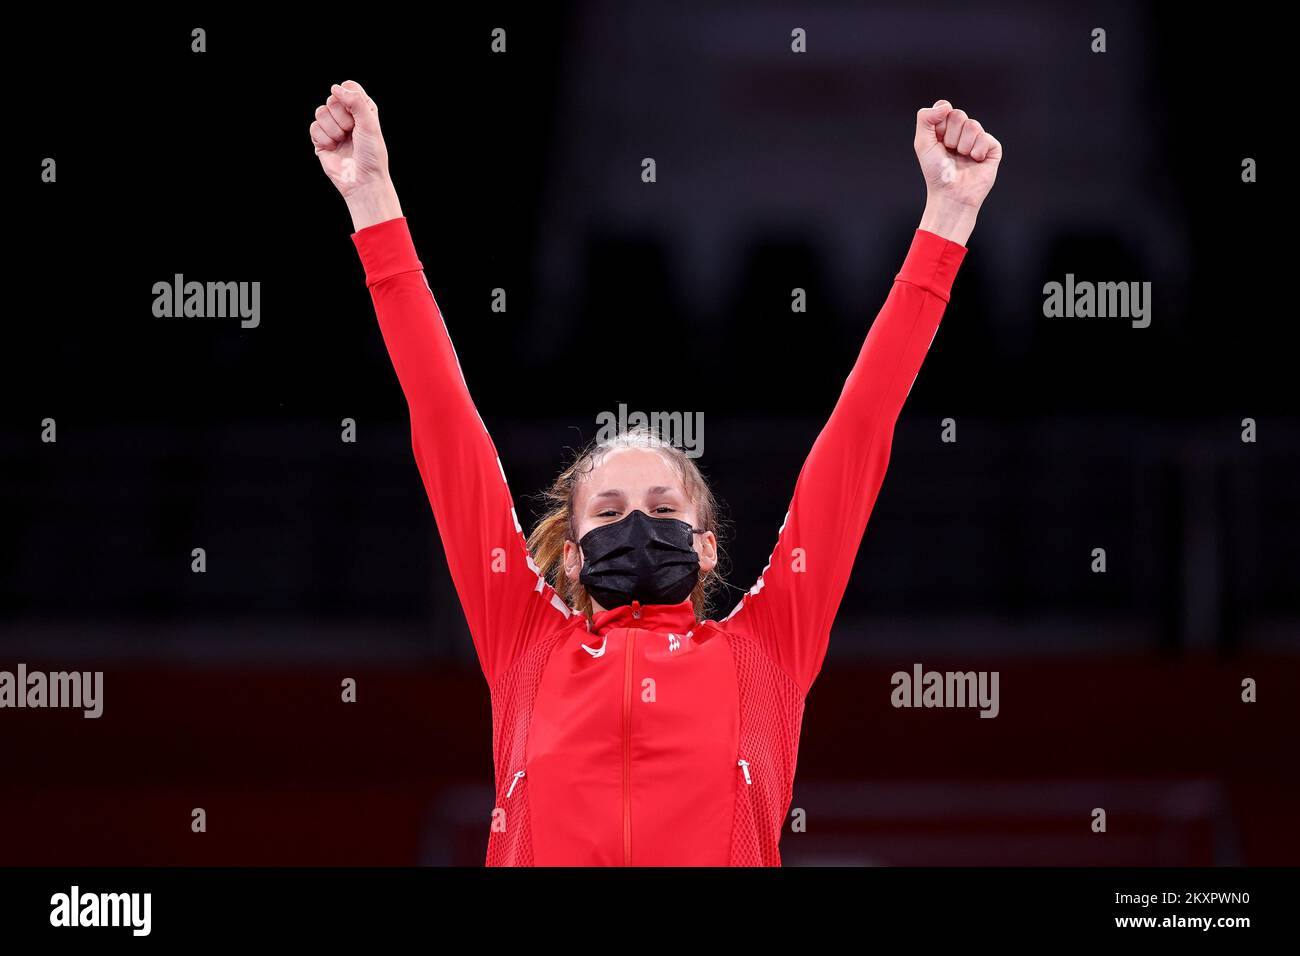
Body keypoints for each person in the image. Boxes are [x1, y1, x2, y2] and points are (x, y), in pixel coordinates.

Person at [310, 80, 1001, 865]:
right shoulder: (524, 645)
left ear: (706, 546)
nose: (637, 523)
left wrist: (950, 217)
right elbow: (444, 423)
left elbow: (859, 432)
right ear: (572, 555)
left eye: (662, 507)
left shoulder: (765, 654)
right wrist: (370, 197)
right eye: (608, 512)